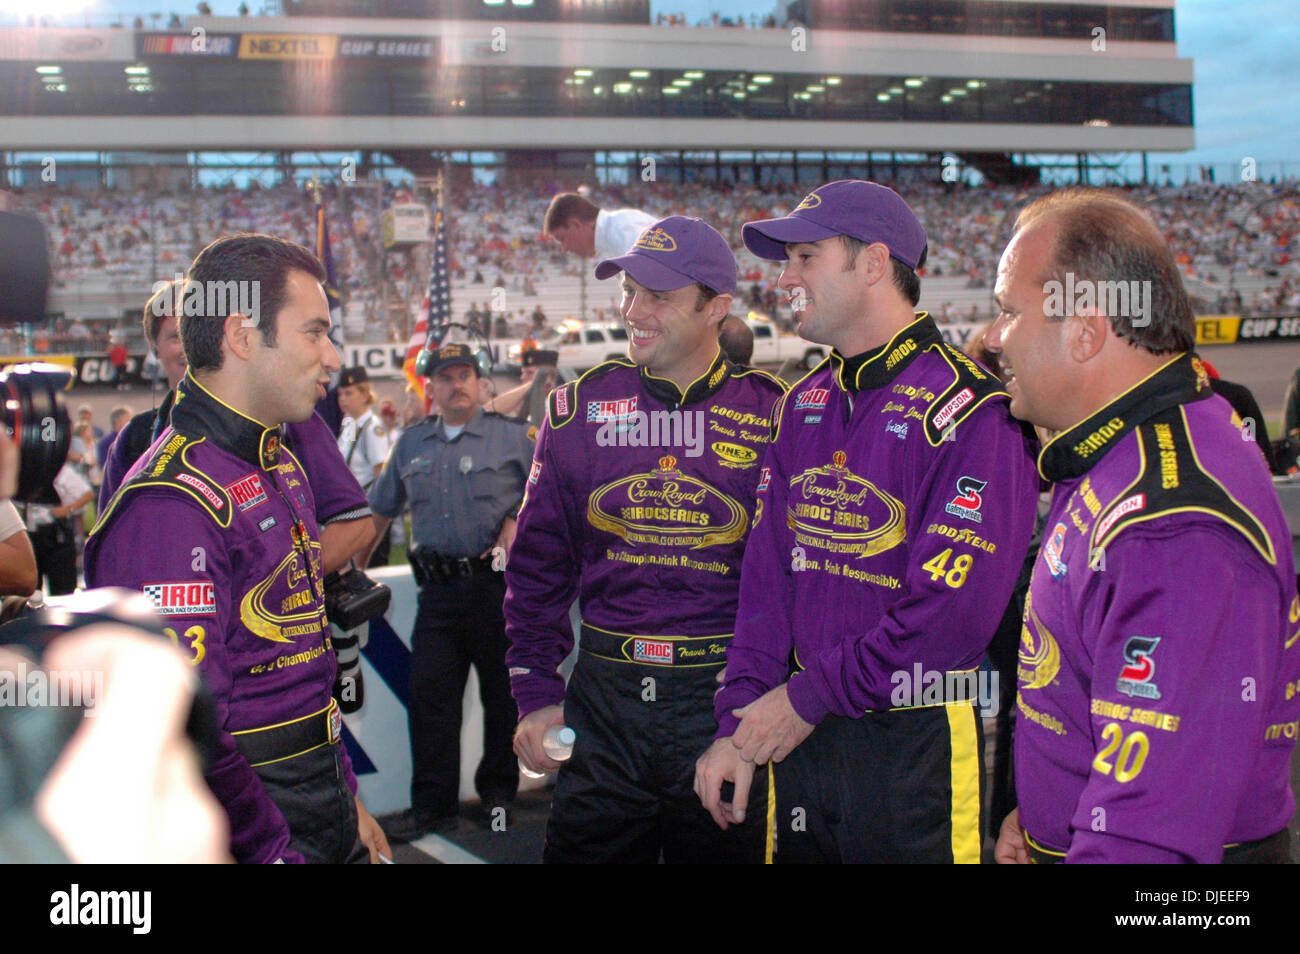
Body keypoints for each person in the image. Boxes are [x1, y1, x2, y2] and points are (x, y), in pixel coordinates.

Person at [694, 180, 1039, 863]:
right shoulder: (801, 403)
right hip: (797, 733)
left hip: (912, 744)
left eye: (805, 257)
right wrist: (738, 722)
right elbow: (766, 585)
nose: (783, 278)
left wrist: (806, 697)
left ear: (874, 264)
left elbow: (951, 619)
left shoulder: (975, 416)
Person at [986, 189, 1299, 864]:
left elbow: (1152, 839)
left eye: (1007, 311)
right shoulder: (1123, 450)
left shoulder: (1171, 524)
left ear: (1086, 330)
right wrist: (1046, 820)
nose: (991, 336)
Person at [85, 234, 390, 864]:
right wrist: (268, 847)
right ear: (242, 336)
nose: (333, 357)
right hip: (248, 826)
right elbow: (176, 733)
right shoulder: (169, 503)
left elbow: (306, 671)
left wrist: (346, 801)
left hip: (318, 797)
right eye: (314, 332)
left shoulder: (279, 460)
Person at [507, 215, 787, 863]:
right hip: (604, 704)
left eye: (657, 296)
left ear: (717, 307)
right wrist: (538, 695)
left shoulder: (776, 414)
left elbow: (789, 588)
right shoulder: (579, 411)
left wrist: (745, 718)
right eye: (630, 291)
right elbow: (537, 574)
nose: (634, 311)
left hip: (725, 703)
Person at [366, 341, 534, 842]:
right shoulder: (411, 444)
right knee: (431, 703)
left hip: (497, 590)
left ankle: (500, 800)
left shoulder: (514, 439)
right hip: (436, 597)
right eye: (445, 377)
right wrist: (349, 569)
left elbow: (550, 498)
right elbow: (378, 512)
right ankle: (432, 811)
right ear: (430, 387)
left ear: (481, 383)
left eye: (465, 375)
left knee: (503, 699)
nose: (455, 384)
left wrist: (514, 519)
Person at [101, 280, 373, 577]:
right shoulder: (135, 438)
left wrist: (282, 589)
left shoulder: (287, 421)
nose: (190, 346)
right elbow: (110, 549)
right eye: (176, 336)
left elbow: (356, 523)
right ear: (154, 348)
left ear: (228, 338)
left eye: (201, 332)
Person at [336, 366, 395, 566]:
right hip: (352, 512)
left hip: (368, 514)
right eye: (341, 394)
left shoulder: (372, 427)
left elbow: (381, 476)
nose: (343, 398)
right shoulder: (350, 424)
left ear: (364, 394)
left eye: (349, 393)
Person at [543, 192, 656, 263]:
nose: (565, 249)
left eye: (562, 239)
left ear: (576, 225)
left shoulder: (621, 230)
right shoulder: (609, 239)